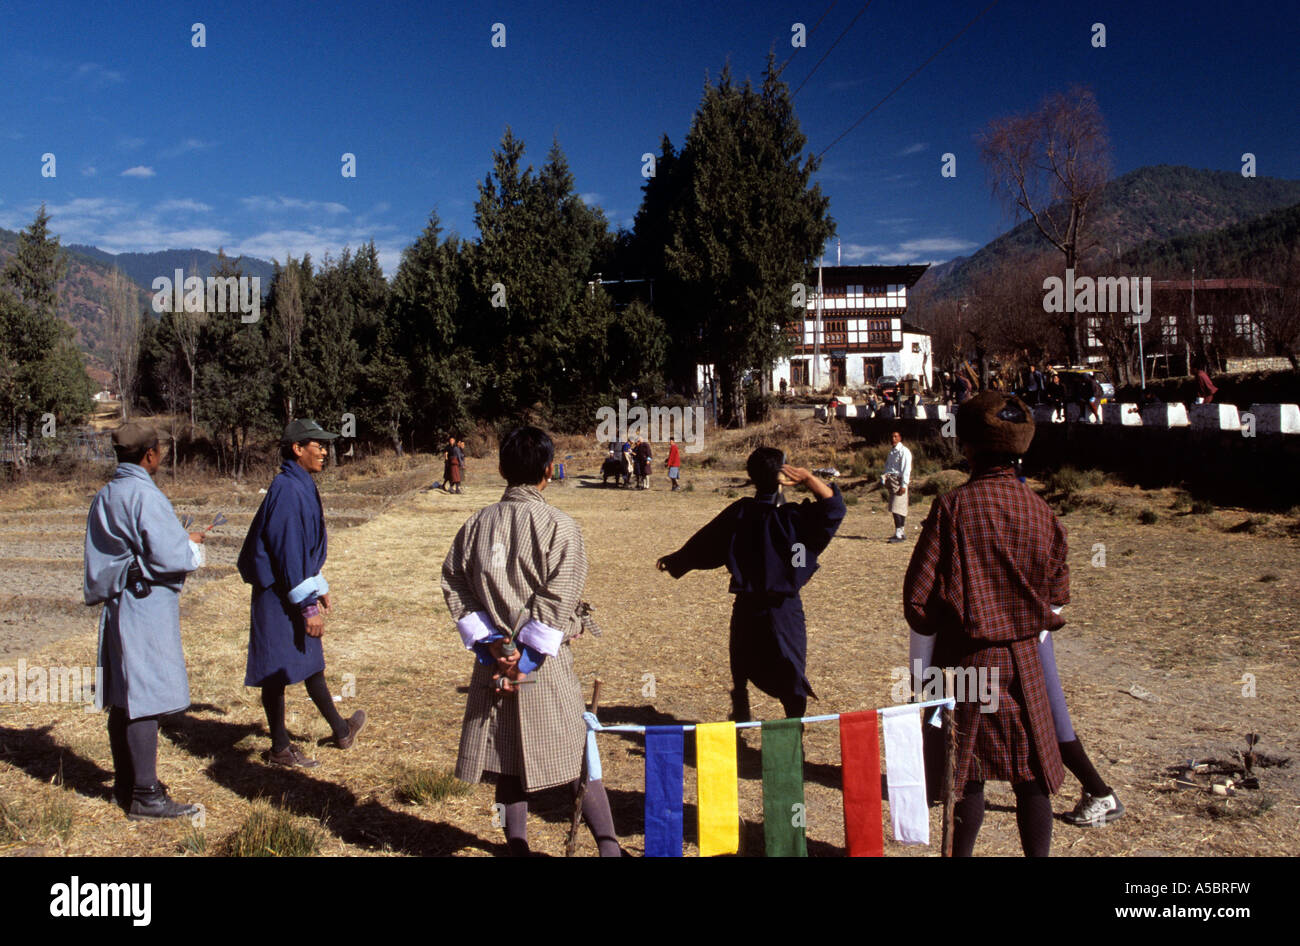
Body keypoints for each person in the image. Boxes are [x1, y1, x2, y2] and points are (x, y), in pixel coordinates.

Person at [441, 426, 620, 857]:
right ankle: (609, 850)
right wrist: (525, 656)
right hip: (543, 662)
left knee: (507, 762)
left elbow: (455, 583)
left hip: (495, 661)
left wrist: (493, 650)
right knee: (578, 755)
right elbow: (561, 596)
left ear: (502, 469)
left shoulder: (475, 524)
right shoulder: (561, 527)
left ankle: (518, 847)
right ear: (548, 471)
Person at [903, 392, 1066, 856]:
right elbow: (1058, 593)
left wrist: (949, 626)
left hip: (967, 660)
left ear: (969, 447)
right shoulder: (1043, 512)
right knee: (1031, 773)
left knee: (966, 774)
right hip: (1025, 661)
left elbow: (918, 600)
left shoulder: (952, 509)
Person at [657, 449, 845, 722]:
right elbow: (834, 508)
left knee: (744, 661)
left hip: (747, 606)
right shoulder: (794, 519)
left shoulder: (741, 512)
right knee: (789, 670)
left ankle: (743, 706)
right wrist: (807, 478)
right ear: (783, 475)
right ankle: (790, 725)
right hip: (782, 610)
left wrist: (677, 561)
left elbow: (706, 543)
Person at [84, 422, 206, 820]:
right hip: (144, 605)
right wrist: (191, 547)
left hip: (118, 605)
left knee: (124, 694)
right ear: (150, 455)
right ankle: (146, 794)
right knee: (146, 698)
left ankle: (125, 784)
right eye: (160, 452)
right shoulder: (145, 495)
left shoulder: (106, 495)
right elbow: (170, 556)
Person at [239, 419, 366, 767]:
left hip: (291, 588)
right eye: (317, 444)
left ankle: (341, 730)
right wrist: (307, 605)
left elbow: (303, 549)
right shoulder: (287, 490)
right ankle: (281, 747)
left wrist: (317, 585)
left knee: (310, 663)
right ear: (297, 449)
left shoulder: (301, 484)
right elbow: (288, 551)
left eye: (325, 445)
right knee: (276, 670)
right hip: (277, 593)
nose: (324, 451)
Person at [881, 430, 912, 543]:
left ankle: (899, 533)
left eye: (895, 436)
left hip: (899, 482)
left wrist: (904, 485)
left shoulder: (904, 452)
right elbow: (888, 466)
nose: (893, 439)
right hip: (892, 481)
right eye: (892, 436)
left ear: (900, 438)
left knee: (897, 508)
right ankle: (900, 531)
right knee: (897, 508)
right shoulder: (892, 452)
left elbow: (906, 469)